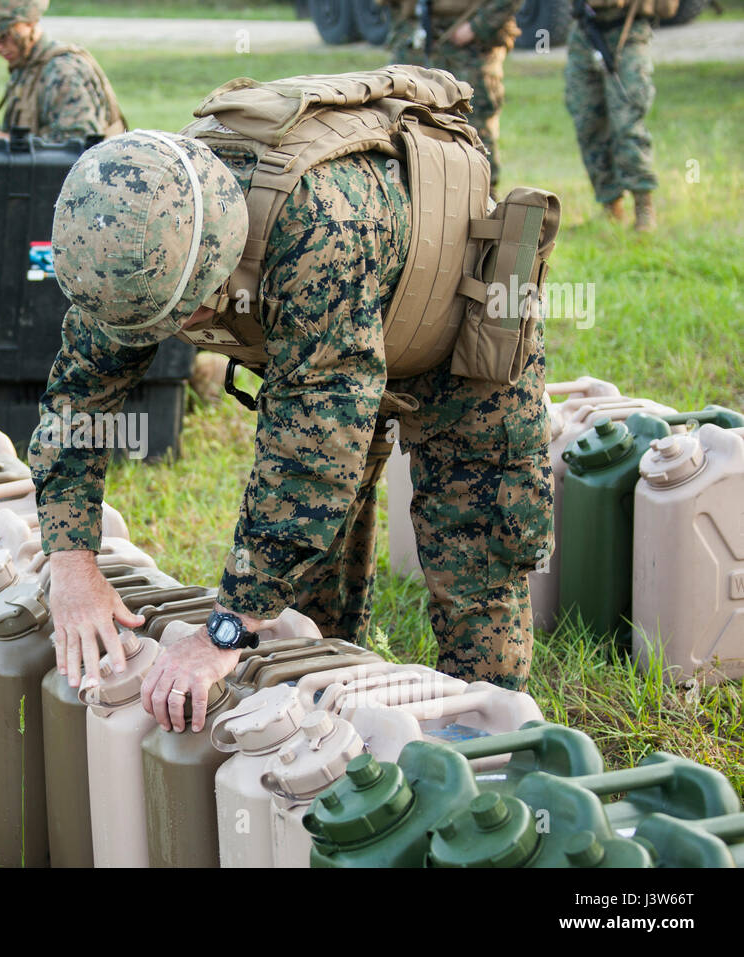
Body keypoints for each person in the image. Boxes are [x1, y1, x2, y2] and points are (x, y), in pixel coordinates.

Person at [30, 69, 555, 734]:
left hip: (459, 331)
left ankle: (491, 759)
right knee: (304, 596)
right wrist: (71, 560)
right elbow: (78, 396)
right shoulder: (131, 233)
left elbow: (314, 453)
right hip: (337, 336)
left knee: (478, 563)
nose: (175, 338)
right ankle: (332, 736)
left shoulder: (318, 230)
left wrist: (223, 631)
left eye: (182, 320)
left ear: (219, 264)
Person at [384, 0, 523, 193]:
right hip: (416, 35)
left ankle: (484, 204)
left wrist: (477, 27)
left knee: (473, 125)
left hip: (468, 43)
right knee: (405, 122)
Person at [564, 0, 666, 232]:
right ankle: (610, 206)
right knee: (587, 120)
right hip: (585, 30)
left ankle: (643, 206)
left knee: (626, 122)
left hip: (626, 30)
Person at [0, 0, 125, 144]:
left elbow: (79, 147)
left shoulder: (63, 72)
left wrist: (9, 142)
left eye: (3, 37)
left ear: (30, 20)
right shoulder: (28, 67)